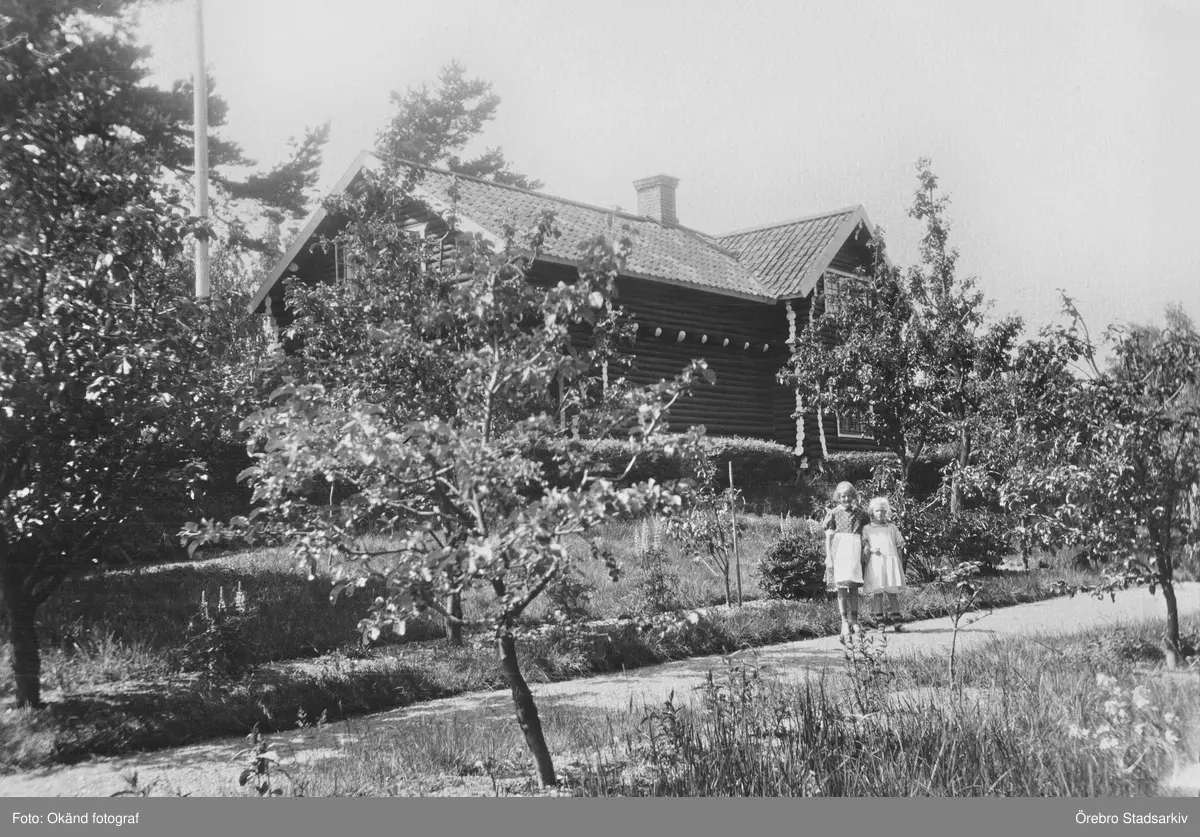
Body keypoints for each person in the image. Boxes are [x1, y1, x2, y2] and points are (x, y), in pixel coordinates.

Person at [823, 481, 869, 638]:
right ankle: (844, 622)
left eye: (849, 496)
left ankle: (855, 621)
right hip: (840, 551)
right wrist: (829, 556)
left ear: (854, 497)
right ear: (838, 497)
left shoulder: (861, 513)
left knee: (854, 588)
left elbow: (866, 534)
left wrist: (866, 548)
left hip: (855, 552)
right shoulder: (834, 513)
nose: (846, 499)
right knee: (842, 587)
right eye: (843, 496)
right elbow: (829, 537)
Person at [862, 496, 907, 630]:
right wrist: (870, 550)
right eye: (877, 511)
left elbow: (899, 545)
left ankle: (897, 622)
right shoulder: (867, 529)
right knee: (878, 594)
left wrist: (899, 563)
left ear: (886, 512)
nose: (880, 513)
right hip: (876, 564)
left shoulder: (892, 528)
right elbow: (864, 546)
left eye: (882, 510)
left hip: (891, 564)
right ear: (871, 512)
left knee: (893, 593)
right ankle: (880, 621)